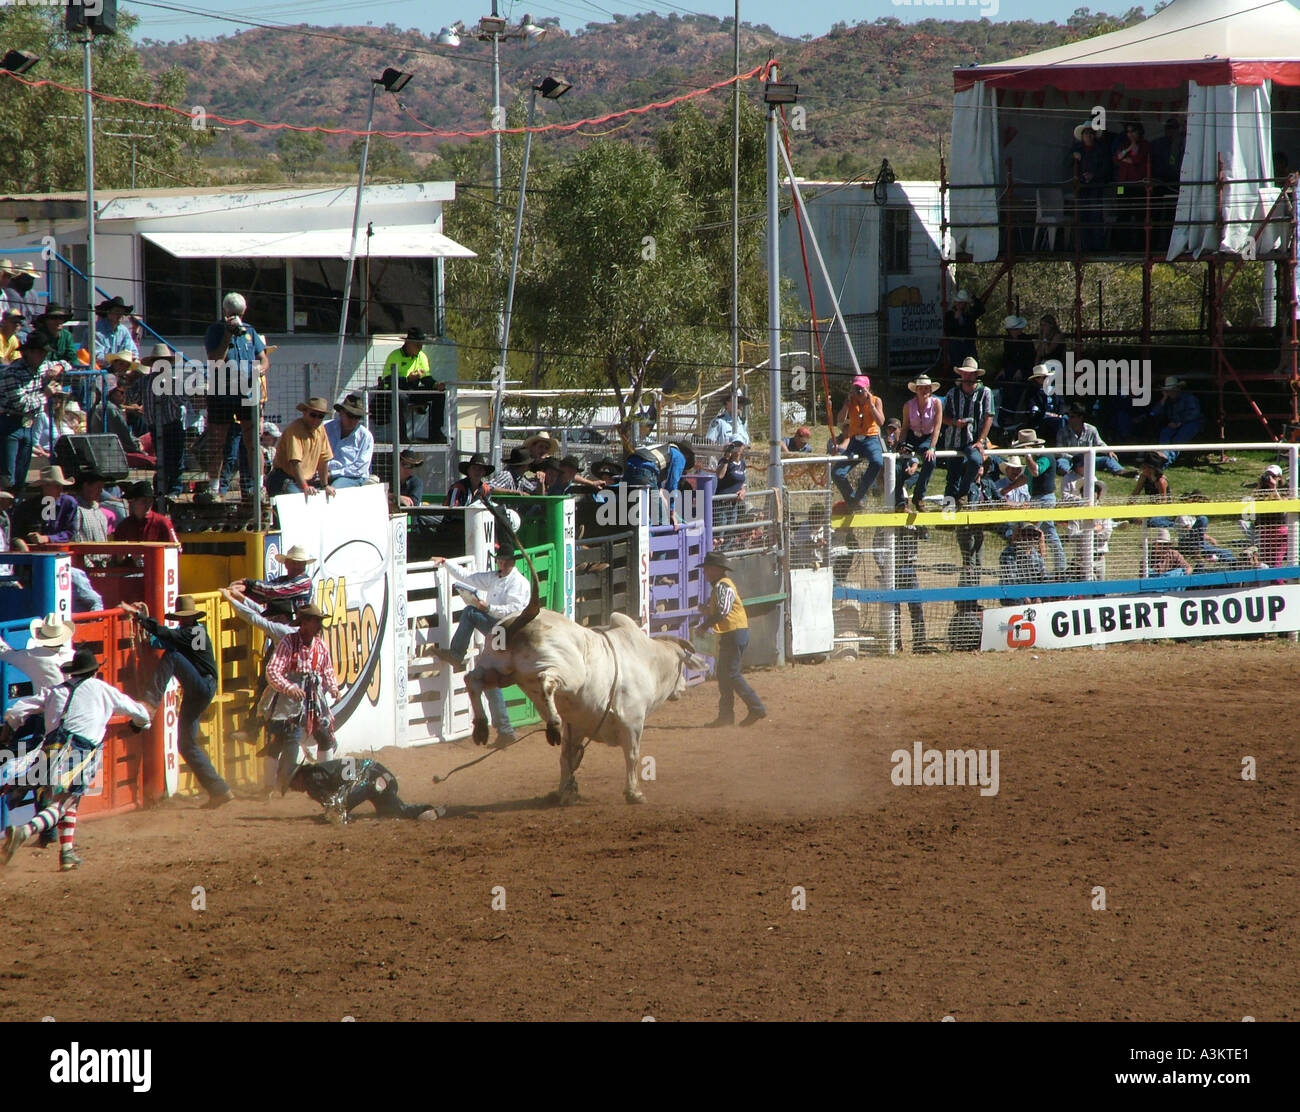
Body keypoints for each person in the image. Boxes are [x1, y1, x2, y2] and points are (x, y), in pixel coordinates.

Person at [1, 647, 151, 872]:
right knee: (65, 801)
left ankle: (67, 853)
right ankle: (25, 831)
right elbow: (140, 714)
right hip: (79, 750)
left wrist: (10, 728)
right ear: (93, 672)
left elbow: (17, 710)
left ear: (73, 672)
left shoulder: (54, 691)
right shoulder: (102, 689)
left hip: (51, 748)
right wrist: (140, 725)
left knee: (67, 798)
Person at [120, 596, 235, 809]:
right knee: (186, 743)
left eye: (184, 618)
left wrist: (140, 617)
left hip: (201, 687)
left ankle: (150, 703)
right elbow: (164, 638)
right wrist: (147, 625)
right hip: (199, 690)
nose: (183, 621)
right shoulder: (193, 633)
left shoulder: (195, 633)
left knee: (171, 657)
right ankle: (219, 790)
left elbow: (168, 635)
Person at [428, 547, 529, 746]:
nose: (501, 564)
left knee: (470, 613)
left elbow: (515, 609)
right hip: (499, 632)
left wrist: (489, 608)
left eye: (504, 561)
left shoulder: (518, 583)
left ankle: (456, 654)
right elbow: (469, 577)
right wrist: (446, 562)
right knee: (490, 677)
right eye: (500, 561)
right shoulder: (496, 577)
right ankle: (505, 729)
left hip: (507, 630)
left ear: (512, 562)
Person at [261, 603, 340, 793]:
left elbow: (327, 670)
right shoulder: (288, 643)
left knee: (324, 736)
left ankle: (325, 779)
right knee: (284, 739)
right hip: (289, 702)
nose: (319, 625)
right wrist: (289, 687)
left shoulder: (320, 645)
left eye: (319, 621)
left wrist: (333, 688)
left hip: (312, 698)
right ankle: (274, 783)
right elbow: (272, 671)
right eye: (315, 621)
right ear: (304, 623)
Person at [203, 292, 267, 502]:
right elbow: (215, 359)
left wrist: (259, 371)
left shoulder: (250, 331)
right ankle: (214, 488)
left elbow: (264, 359)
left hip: (246, 391)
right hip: (221, 392)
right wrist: (228, 335)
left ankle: (258, 487)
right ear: (226, 312)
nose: (237, 317)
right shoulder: (216, 330)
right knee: (217, 440)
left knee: (252, 441)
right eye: (233, 313)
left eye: (239, 313)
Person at [695, 551, 766, 725]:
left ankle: (755, 708)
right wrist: (707, 612)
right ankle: (727, 716)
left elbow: (723, 612)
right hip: (734, 632)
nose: (705, 573)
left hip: (734, 632)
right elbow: (723, 611)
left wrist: (704, 625)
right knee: (725, 674)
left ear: (716, 570)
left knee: (730, 673)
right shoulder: (722, 585)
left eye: (707, 569)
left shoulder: (722, 586)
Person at [284, 753, 444, 824]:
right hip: (381, 774)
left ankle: (371, 788)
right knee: (393, 811)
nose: (294, 789)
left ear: (298, 776)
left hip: (370, 778)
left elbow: (333, 805)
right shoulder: (317, 773)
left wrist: (332, 815)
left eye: (291, 785)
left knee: (339, 808)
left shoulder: (312, 780)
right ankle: (430, 811)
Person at [0, 330, 62, 490]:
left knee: (21, 474)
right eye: (39, 353)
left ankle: (14, 506)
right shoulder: (12, 373)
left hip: (27, 425)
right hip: (9, 423)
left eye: (44, 354)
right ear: (28, 352)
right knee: (8, 476)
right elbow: (21, 404)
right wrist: (45, 395)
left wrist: (58, 367)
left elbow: (66, 364)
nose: (42, 357)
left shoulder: (43, 367)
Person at [941, 357, 994, 507]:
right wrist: (954, 422)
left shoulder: (985, 392)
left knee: (976, 461)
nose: (968, 377)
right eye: (965, 373)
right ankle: (947, 517)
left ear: (976, 375)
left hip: (974, 440)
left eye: (971, 374)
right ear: (961, 374)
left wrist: (981, 440)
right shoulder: (952, 393)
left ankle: (963, 492)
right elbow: (943, 417)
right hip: (954, 439)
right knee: (952, 478)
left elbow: (989, 416)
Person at [832, 375, 885, 509]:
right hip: (855, 440)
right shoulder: (850, 401)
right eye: (856, 388)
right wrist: (846, 404)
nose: (858, 392)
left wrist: (871, 406)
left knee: (877, 461)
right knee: (837, 473)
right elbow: (839, 420)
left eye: (861, 388)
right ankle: (853, 500)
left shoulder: (876, 400)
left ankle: (859, 494)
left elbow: (881, 422)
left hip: (870, 439)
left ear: (867, 388)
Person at [267, 396, 336, 498]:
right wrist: (304, 487)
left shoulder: (321, 430)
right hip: (283, 479)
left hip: (303, 480)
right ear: (304, 412)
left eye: (320, 416)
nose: (316, 419)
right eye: (313, 415)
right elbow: (295, 463)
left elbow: (323, 460)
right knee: (299, 499)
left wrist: (325, 485)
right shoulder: (295, 430)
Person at [621, 440, 695, 529]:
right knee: (661, 520)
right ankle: (653, 539)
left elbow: (658, 490)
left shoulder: (661, 450)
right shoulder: (680, 457)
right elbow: (672, 485)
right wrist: (671, 513)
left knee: (631, 511)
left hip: (630, 467)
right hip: (646, 472)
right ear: (687, 455)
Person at [895, 374, 942, 511]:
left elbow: (937, 428)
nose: (925, 391)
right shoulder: (908, 406)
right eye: (922, 388)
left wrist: (932, 447)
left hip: (927, 437)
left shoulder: (936, 403)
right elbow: (904, 428)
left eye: (928, 388)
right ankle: (899, 502)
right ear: (916, 390)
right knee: (899, 465)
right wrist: (902, 444)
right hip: (911, 436)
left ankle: (919, 496)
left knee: (930, 460)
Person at [378, 327, 433, 441]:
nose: (420, 347)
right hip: (395, 391)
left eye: (421, 344)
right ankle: (401, 436)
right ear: (408, 343)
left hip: (413, 391)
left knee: (439, 395)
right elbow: (388, 379)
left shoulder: (422, 356)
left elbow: (426, 377)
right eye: (417, 344)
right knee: (400, 397)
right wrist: (408, 379)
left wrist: (436, 385)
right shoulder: (395, 356)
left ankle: (436, 434)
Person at [230, 544, 316, 616]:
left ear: (305, 565)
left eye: (301, 564)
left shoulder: (304, 582)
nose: (297, 567)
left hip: (299, 628)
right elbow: (267, 591)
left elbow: (275, 591)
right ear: (286, 564)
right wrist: (246, 589)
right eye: (294, 563)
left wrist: (248, 583)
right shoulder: (282, 580)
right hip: (289, 629)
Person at [1056, 402, 1125, 492]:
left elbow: (1099, 443)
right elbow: (1060, 451)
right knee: (1061, 462)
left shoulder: (1092, 430)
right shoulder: (1062, 431)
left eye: (1072, 417)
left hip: (1088, 460)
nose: (1069, 419)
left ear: (1080, 417)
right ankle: (1071, 473)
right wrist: (1075, 459)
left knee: (1108, 458)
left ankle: (1120, 471)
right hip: (1071, 461)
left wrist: (1108, 450)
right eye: (1069, 416)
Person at [0, 612, 75, 693]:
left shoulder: (33, 656)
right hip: (71, 702)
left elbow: (5, 653)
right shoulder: (73, 655)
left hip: (46, 703)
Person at [1070, 124, 1111, 251]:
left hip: (1095, 186)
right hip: (1081, 187)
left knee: (1095, 215)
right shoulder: (1076, 149)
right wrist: (1073, 158)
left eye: (1091, 133)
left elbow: (1106, 169)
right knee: (1082, 216)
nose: (1089, 136)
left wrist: (1094, 175)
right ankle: (1083, 246)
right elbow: (1066, 165)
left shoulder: (1101, 150)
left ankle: (1097, 246)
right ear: (1082, 136)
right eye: (1086, 133)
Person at [1112, 121, 1151, 251]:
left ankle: (1139, 245)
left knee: (1139, 214)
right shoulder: (1124, 144)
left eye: (1133, 131)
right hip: (1122, 184)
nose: (1131, 134)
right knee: (1123, 213)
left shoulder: (1144, 145)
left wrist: (1126, 157)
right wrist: (1128, 150)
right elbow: (1116, 158)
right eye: (1128, 132)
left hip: (1137, 184)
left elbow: (1137, 159)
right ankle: (1121, 244)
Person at [16, 465, 78, 544]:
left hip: (60, 552)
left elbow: (70, 533)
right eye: (57, 486)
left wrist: (47, 538)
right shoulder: (27, 507)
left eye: (61, 486)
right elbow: (18, 534)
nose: (61, 489)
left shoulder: (68, 503)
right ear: (45, 486)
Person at [1148, 376, 1203, 464]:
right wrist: (1164, 398)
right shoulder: (1167, 400)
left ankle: (1165, 461)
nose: (1170, 392)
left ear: (1178, 388)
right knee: (1165, 433)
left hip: (1191, 423)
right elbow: (1153, 413)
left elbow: (1194, 414)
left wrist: (1179, 422)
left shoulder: (1189, 397)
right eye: (1168, 390)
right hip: (1174, 424)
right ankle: (1162, 455)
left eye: (1172, 389)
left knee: (1178, 439)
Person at [324, 393, 374, 488]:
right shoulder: (325, 428)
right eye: (350, 415)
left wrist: (331, 474)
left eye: (358, 417)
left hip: (353, 477)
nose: (353, 420)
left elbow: (359, 468)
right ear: (341, 412)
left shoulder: (365, 436)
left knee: (335, 489)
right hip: (324, 473)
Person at [112, 480, 180, 544]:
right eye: (144, 501)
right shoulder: (124, 526)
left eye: (150, 501)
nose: (148, 504)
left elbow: (176, 548)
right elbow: (117, 552)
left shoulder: (163, 523)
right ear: (133, 502)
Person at [1252, 464, 1289, 567]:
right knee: (1265, 561)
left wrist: (1274, 488)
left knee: (1276, 561)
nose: (1270, 478)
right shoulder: (1262, 491)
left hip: (1279, 530)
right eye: (1268, 475)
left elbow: (1283, 507)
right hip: (1264, 530)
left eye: (1273, 476)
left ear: (1279, 478)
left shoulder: (1285, 490)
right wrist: (1260, 485)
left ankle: (1278, 582)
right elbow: (1250, 502)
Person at [1021, 364, 1064, 443]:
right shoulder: (1032, 392)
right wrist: (1048, 414)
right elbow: (1032, 408)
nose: (1047, 379)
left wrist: (1060, 414)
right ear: (1037, 379)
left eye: (1047, 377)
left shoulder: (1055, 389)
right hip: (1042, 418)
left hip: (1058, 416)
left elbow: (1061, 403)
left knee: (1065, 420)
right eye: (1044, 377)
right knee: (1058, 422)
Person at [943, 288, 984, 366]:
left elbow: (981, 309)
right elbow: (947, 331)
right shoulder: (949, 315)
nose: (959, 305)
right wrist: (955, 320)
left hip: (968, 344)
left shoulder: (969, 314)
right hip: (955, 345)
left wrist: (973, 297)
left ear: (965, 304)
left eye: (962, 303)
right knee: (957, 367)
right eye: (958, 302)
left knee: (971, 365)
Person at [92, 296, 138, 364]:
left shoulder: (123, 331)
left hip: (120, 368)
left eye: (122, 312)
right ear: (108, 312)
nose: (120, 315)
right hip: (100, 371)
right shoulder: (96, 331)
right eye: (117, 312)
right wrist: (118, 361)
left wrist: (132, 358)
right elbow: (97, 357)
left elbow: (133, 352)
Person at [714, 440, 747, 530]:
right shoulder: (725, 462)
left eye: (740, 446)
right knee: (721, 529)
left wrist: (743, 490)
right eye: (735, 446)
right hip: (722, 502)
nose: (738, 449)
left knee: (731, 531)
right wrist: (726, 459)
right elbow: (720, 475)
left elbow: (742, 482)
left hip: (733, 504)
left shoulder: (743, 463)